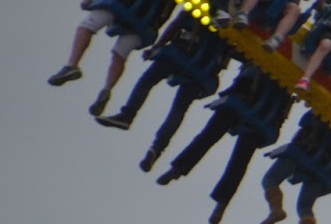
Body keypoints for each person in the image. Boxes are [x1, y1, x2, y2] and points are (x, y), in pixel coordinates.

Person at [94, 13, 232, 174]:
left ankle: (128, 115)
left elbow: (176, 24)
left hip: (183, 52)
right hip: (205, 67)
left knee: (148, 80)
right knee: (180, 107)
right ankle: (157, 148)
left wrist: (157, 46)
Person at [156, 63, 293, 224]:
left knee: (236, 156)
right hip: (251, 100)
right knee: (214, 139)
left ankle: (220, 200)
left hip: (263, 107)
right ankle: (179, 169)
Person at [48, 0, 174, 117]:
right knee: (120, 53)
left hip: (120, 2)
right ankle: (107, 89)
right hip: (145, 21)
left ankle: (71, 65)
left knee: (87, 26)